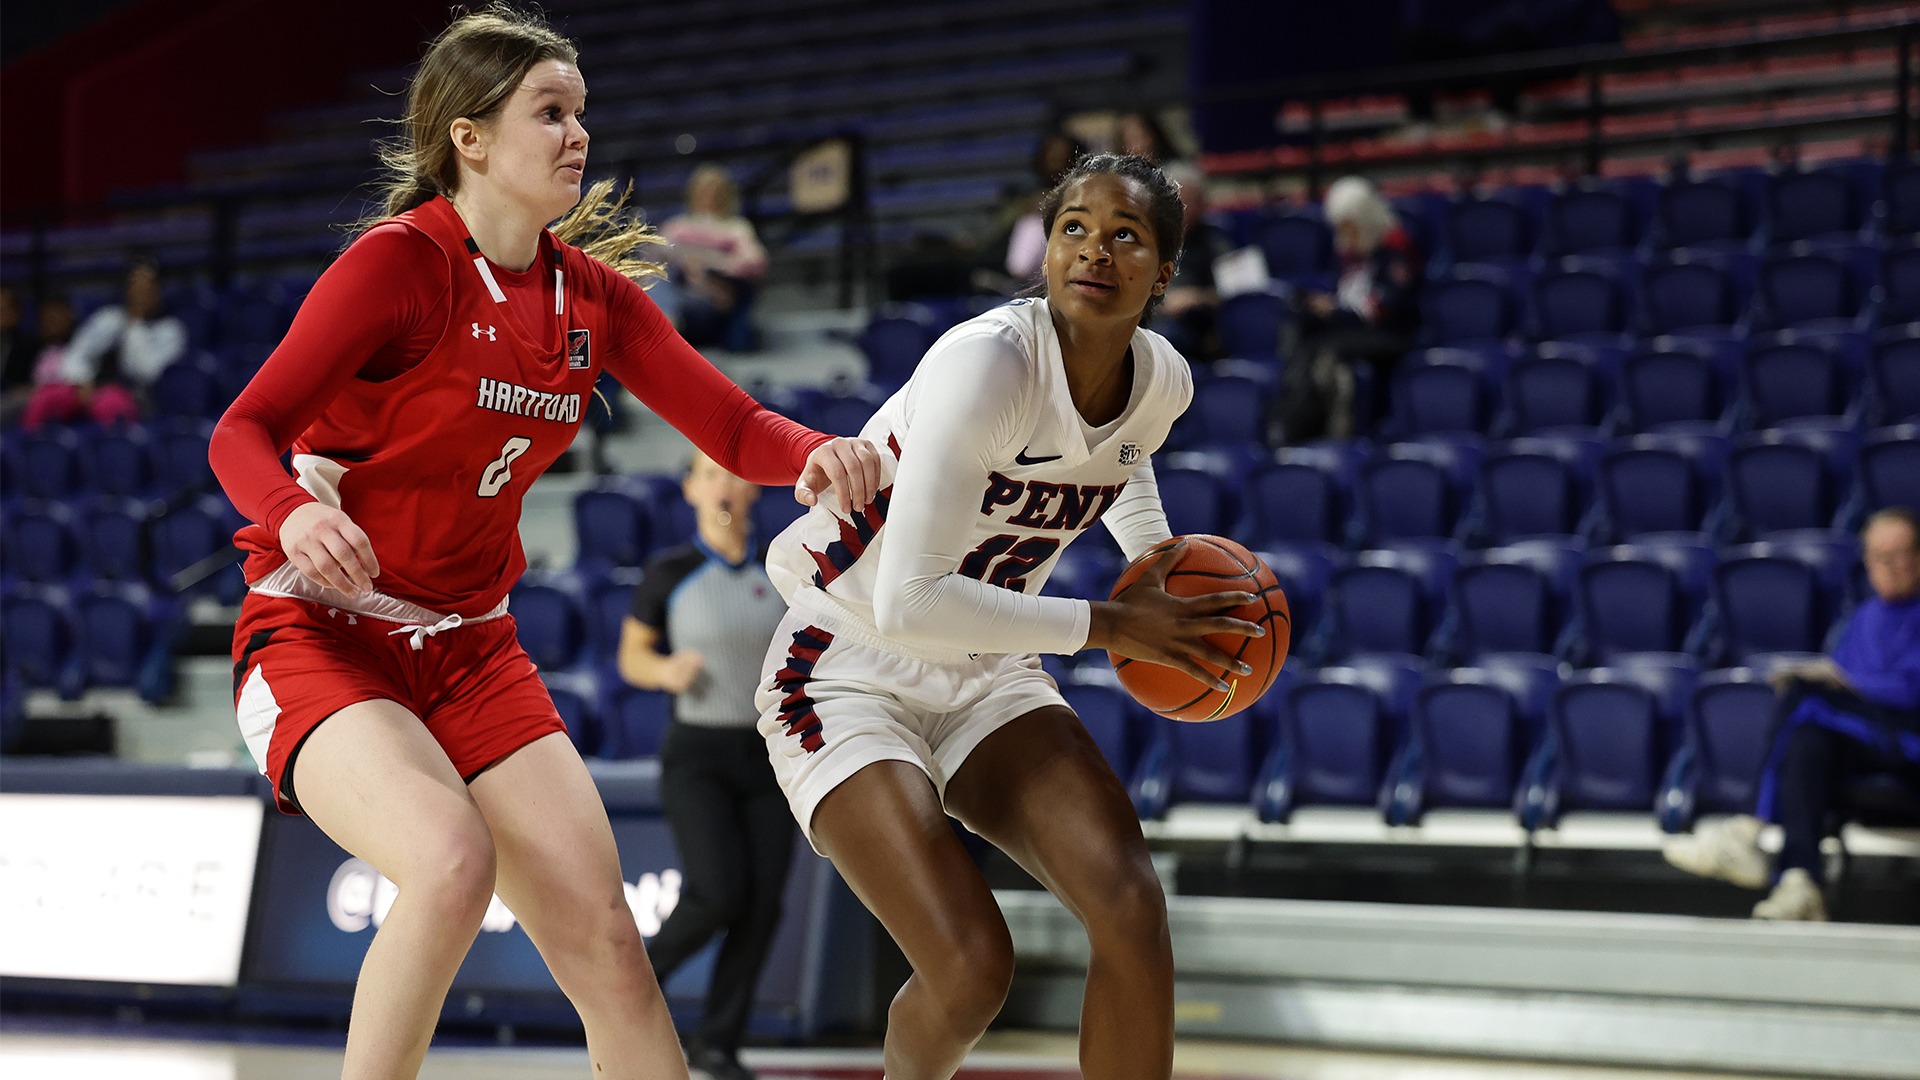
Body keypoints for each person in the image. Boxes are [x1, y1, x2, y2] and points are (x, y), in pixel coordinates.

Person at [207, 7, 880, 1078]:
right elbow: (242, 430)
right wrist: (294, 510)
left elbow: (736, 428)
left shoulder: (591, 297)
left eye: (582, 115)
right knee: (448, 862)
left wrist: (818, 454)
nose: (578, 136)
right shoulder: (398, 266)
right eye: (550, 113)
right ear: (468, 136)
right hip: (323, 635)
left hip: (474, 649)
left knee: (610, 946)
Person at [756, 153, 1265, 1079]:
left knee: (1129, 904)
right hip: (846, 663)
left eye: (1127, 236)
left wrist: (1154, 564)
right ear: (1045, 244)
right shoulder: (987, 360)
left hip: (988, 669)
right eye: (1074, 227)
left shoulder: (1165, 381)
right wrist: (1112, 626)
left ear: (1166, 271)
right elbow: (911, 600)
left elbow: (1120, 453)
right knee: (969, 968)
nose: (1095, 251)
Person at [617, 453, 794, 1080]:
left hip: (771, 757)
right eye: (709, 473)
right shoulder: (672, 573)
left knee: (762, 904)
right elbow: (632, 656)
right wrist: (665, 670)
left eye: (734, 473)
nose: (724, 484)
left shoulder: (784, 569)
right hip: (698, 756)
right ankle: (623, 988)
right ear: (691, 489)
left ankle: (718, 1042)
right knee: (716, 893)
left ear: (753, 487)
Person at [1663, 508, 1920, 921]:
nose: (1889, 567)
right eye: (1878, 557)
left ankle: (1748, 829)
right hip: (1869, 739)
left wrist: (1850, 687)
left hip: (1910, 739)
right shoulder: (1865, 618)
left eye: (1900, 554)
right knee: (1807, 742)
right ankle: (1800, 881)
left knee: (1806, 699)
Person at [1271, 175, 1422, 443]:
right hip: (1354, 327)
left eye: (1347, 227)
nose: (1343, 235)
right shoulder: (1350, 253)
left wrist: (1338, 311)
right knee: (1304, 329)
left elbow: (1387, 306)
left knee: (1331, 347)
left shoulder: (1395, 248)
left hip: (1391, 333)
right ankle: (1289, 418)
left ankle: (1327, 430)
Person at [23, 259, 184, 430]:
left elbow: (149, 372)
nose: (140, 295)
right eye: (135, 287)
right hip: (88, 387)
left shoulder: (170, 330)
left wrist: (135, 325)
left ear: (157, 292)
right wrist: (82, 383)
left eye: (146, 289)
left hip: (134, 394)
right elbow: (78, 353)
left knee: (110, 403)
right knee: (46, 398)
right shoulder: (108, 317)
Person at [659, 164, 767, 352]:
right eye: (703, 191)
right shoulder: (677, 227)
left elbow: (755, 262)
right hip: (680, 296)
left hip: (715, 301)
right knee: (655, 279)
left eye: (715, 192)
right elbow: (654, 256)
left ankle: (661, 336)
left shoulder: (735, 227)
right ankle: (663, 330)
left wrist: (708, 264)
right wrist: (687, 267)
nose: (709, 197)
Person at [1149, 162, 1235, 362]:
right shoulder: (1150, 242)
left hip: (1191, 329)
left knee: (1160, 340)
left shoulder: (1216, 243)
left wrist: (1197, 297)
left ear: (1203, 204)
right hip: (1147, 319)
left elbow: (1239, 295)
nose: (1181, 208)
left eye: (1188, 201)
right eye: (1175, 201)